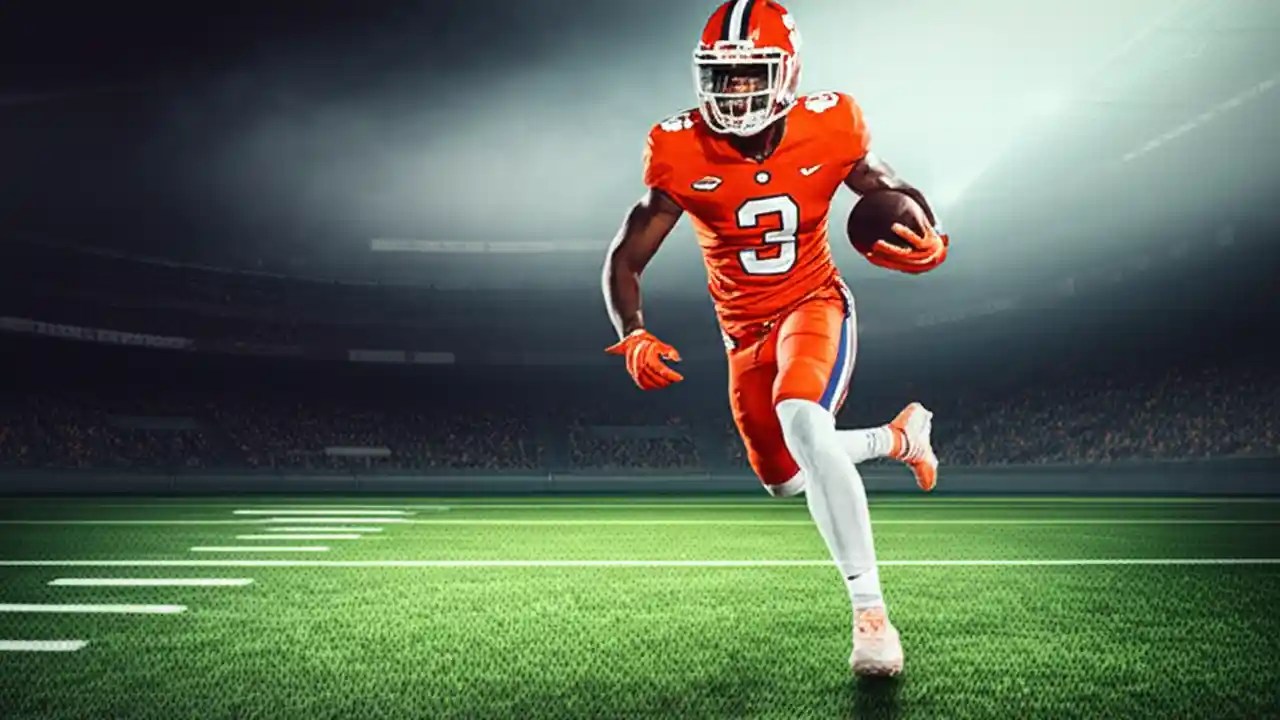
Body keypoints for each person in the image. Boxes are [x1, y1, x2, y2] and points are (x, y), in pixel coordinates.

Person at [601, 1, 950, 676]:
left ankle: (871, 616)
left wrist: (928, 233)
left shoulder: (831, 123)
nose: (735, 93)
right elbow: (626, 256)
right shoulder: (678, 148)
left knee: (806, 425)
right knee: (787, 480)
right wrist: (633, 331)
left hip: (812, 304)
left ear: (785, 73)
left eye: (750, 74)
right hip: (742, 334)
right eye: (722, 77)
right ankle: (899, 439)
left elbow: (887, 187)